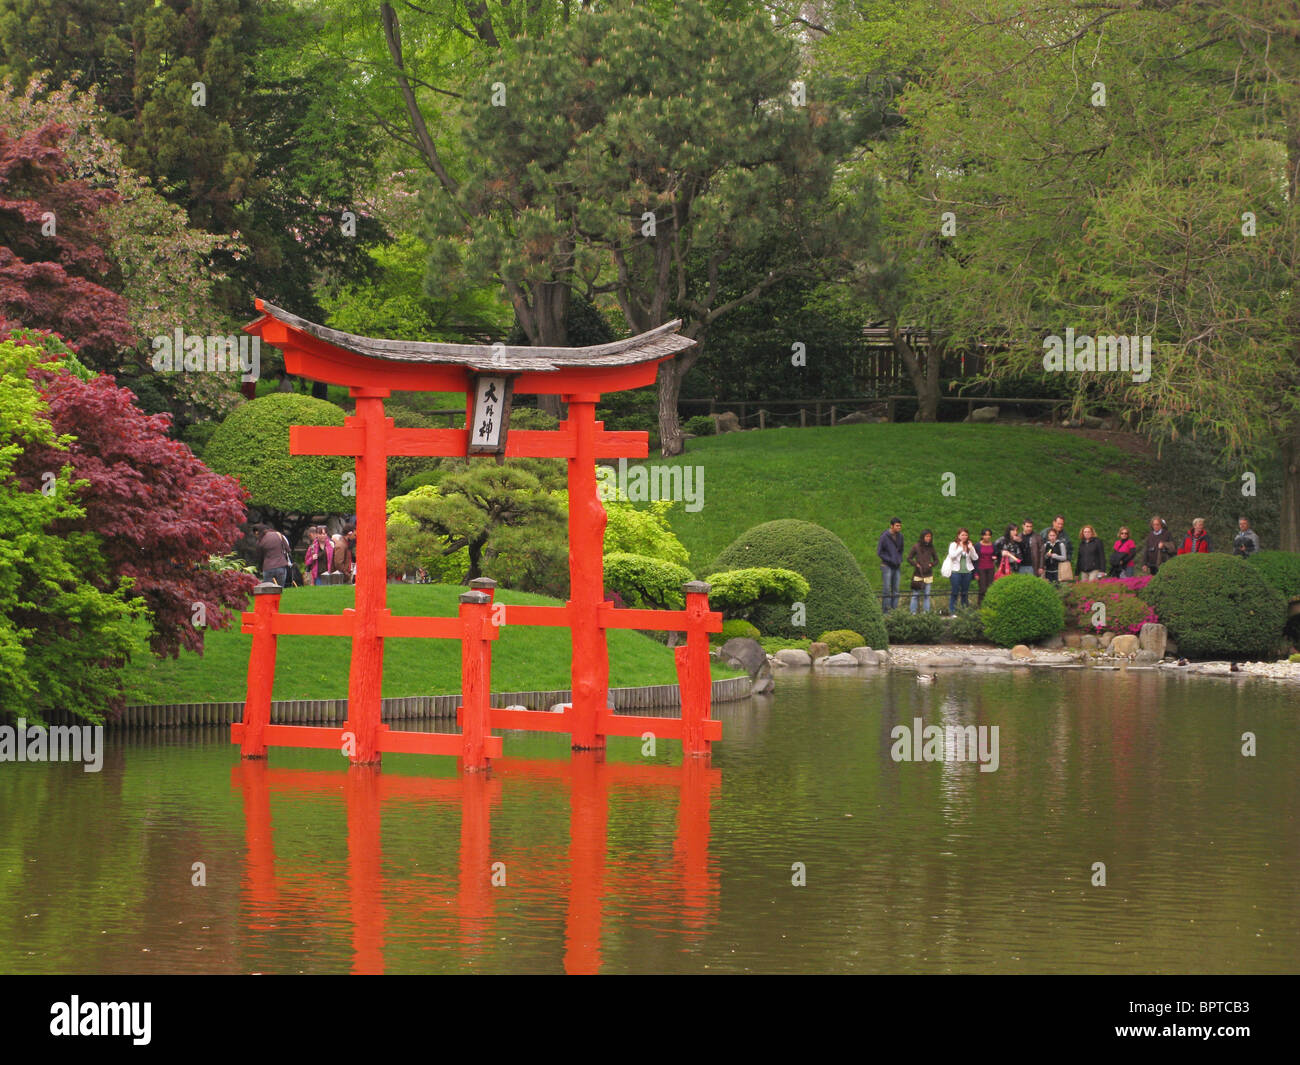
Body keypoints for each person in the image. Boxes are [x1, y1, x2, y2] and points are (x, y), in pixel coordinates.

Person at [945, 528, 978, 612]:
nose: (964, 537)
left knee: (965, 592)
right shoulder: (953, 544)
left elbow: (975, 558)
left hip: (967, 572)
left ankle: (965, 611)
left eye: (966, 535)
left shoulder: (969, 545)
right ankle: (952, 610)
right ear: (958, 535)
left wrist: (971, 548)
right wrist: (960, 548)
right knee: (955, 592)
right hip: (956, 572)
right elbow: (952, 555)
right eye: (962, 535)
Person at [877, 517, 905, 611]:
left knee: (896, 591)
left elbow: (901, 550)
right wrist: (890, 559)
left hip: (897, 566)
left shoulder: (900, 536)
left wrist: (899, 559)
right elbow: (879, 552)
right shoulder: (884, 536)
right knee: (887, 590)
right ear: (891, 526)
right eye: (897, 526)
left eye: (900, 526)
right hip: (886, 566)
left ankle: (894, 612)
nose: (899, 528)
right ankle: (886, 612)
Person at [907, 530, 937, 614]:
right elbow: (909, 558)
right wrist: (916, 564)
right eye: (927, 536)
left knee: (927, 595)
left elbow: (936, 560)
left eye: (930, 537)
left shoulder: (931, 548)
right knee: (915, 595)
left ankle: (926, 613)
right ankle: (913, 613)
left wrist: (931, 564)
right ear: (923, 537)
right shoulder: (916, 546)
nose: (928, 538)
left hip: (928, 574)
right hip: (918, 574)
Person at [255, 523, 291, 587]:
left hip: (267, 568)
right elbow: (288, 549)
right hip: (281, 566)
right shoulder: (278, 534)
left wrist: (260, 568)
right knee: (280, 589)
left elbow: (259, 557)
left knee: (268, 590)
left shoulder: (260, 541)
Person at [975, 528, 998, 604]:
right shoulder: (978, 545)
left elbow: (996, 554)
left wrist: (995, 557)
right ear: (982, 536)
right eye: (985, 535)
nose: (987, 537)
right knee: (982, 589)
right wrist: (976, 573)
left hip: (990, 568)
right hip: (981, 568)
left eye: (989, 535)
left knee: (990, 588)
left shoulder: (993, 545)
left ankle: (988, 604)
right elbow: (975, 560)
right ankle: (980, 606)